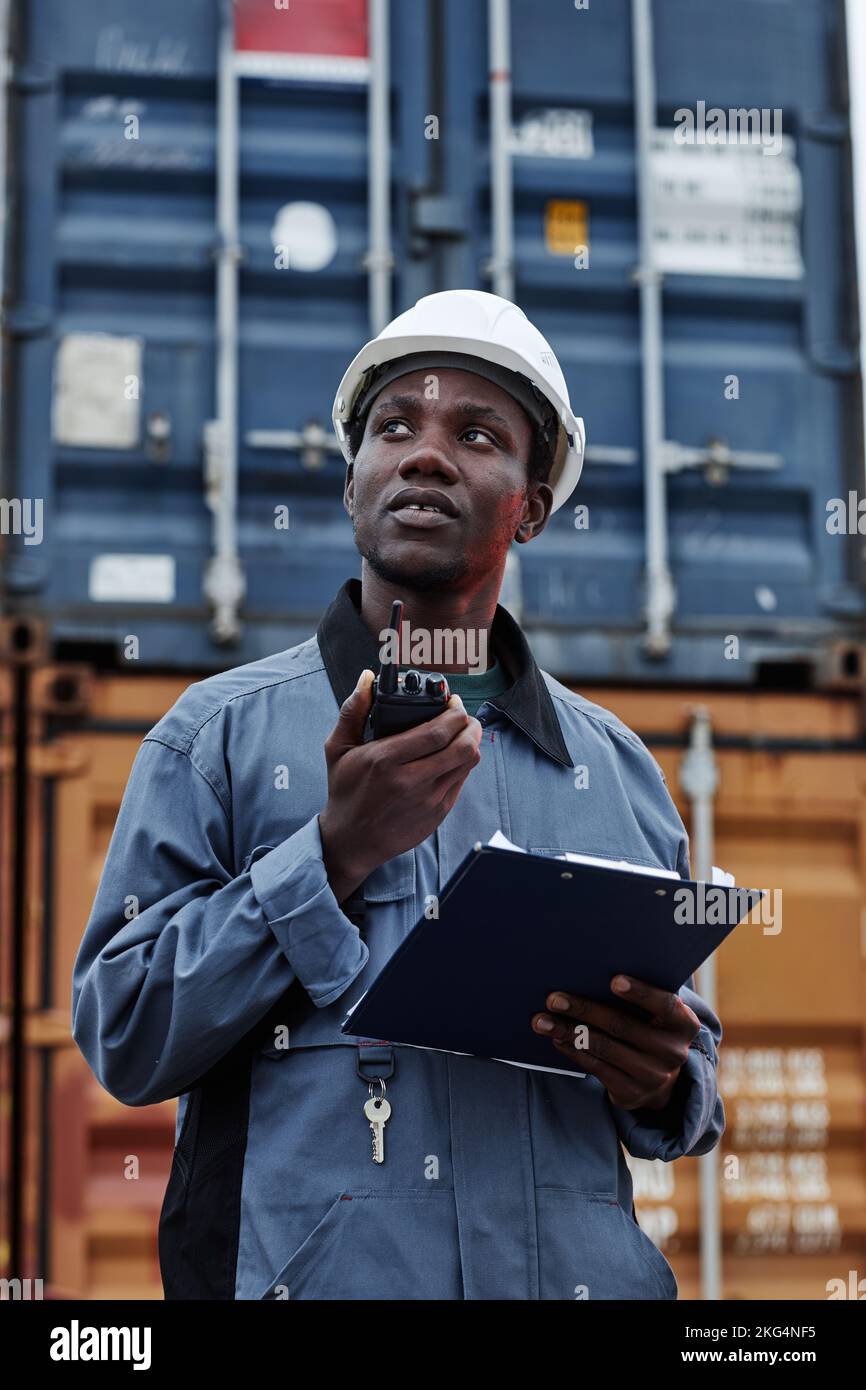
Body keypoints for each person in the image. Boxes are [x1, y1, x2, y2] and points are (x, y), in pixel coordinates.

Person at [71, 289, 724, 1301]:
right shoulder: (217, 741)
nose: (426, 454)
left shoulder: (619, 772)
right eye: (394, 427)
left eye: (476, 434)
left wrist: (667, 1077)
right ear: (350, 480)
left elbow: (688, 1066)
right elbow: (124, 1033)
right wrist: (328, 858)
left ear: (532, 503)